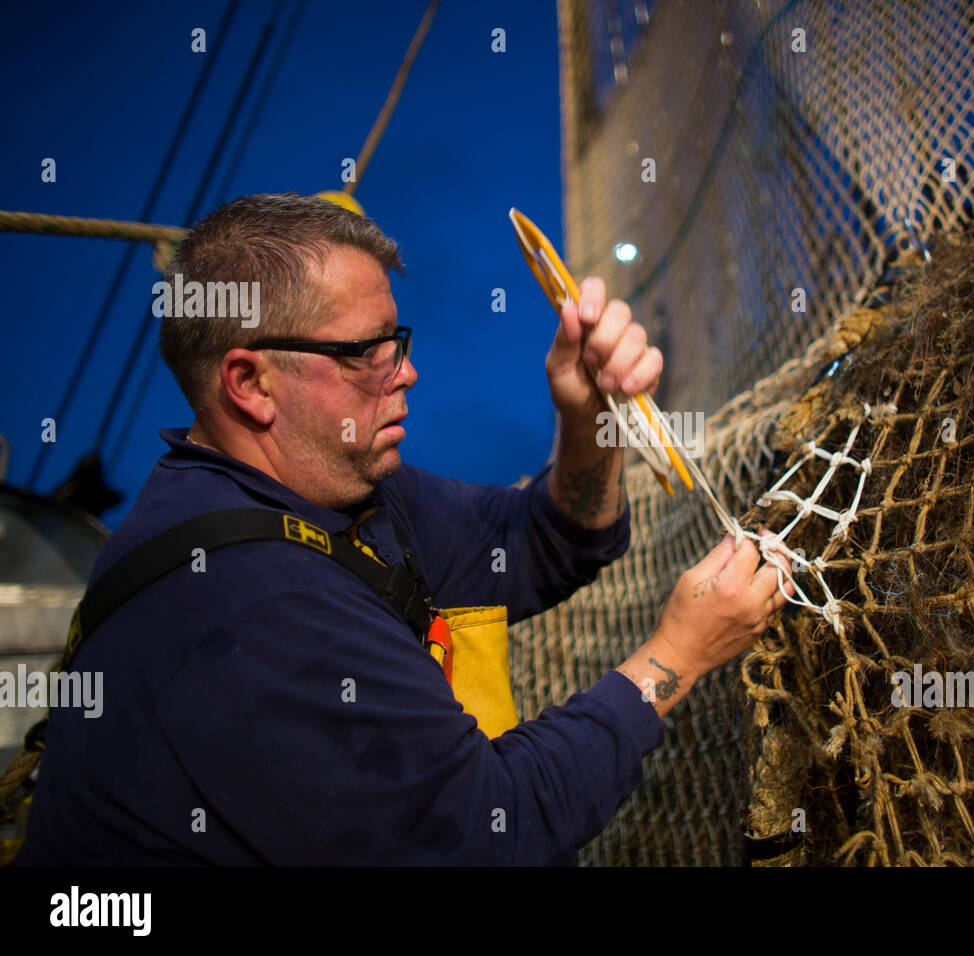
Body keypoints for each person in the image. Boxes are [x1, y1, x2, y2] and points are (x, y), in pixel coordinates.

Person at [15, 193, 790, 865]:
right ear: (250, 383)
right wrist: (676, 658)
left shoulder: (343, 490)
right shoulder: (246, 607)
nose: (406, 370)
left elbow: (546, 542)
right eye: (365, 351)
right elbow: (492, 833)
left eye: (399, 337)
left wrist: (587, 416)